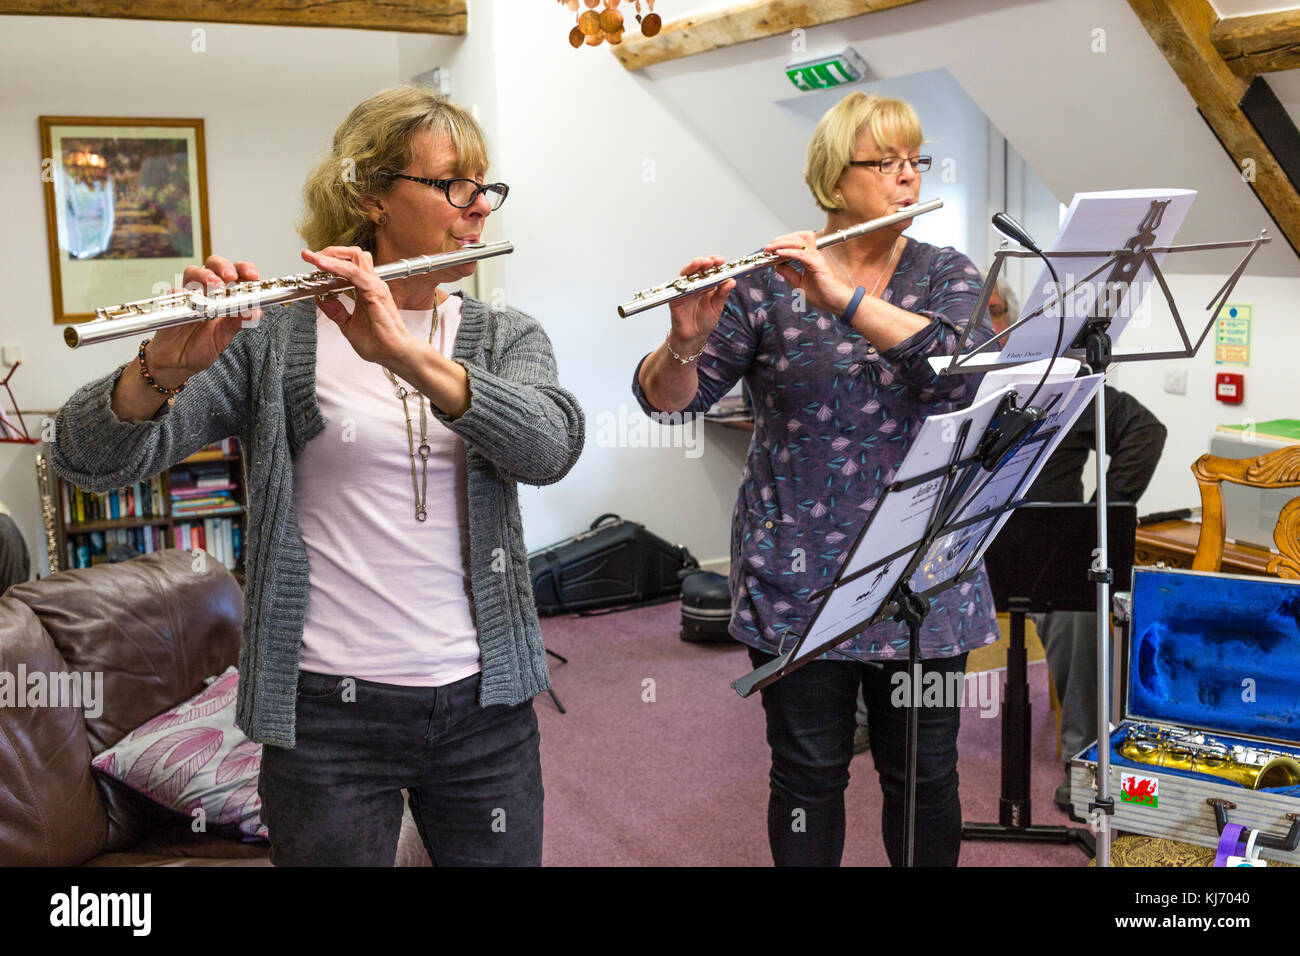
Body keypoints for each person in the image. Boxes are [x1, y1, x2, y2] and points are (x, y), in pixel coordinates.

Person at [53, 86, 584, 866]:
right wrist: (157, 366)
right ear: (372, 196)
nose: (478, 208)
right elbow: (86, 460)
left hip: (485, 706)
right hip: (327, 714)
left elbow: (550, 448)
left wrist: (404, 352)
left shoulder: (505, 334)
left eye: (484, 186)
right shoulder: (274, 338)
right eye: (452, 185)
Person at [633, 92, 999, 866]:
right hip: (797, 575)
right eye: (887, 162)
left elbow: (957, 373)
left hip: (925, 575)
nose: (908, 177)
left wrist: (841, 296)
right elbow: (671, 405)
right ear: (836, 180)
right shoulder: (765, 286)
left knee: (925, 774)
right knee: (806, 776)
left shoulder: (946, 273)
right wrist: (684, 342)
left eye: (915, 161)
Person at [987, 277, 1166, 815]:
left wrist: (1096, 519)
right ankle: (867, 719)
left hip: (1047, 547)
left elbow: (1145, 431)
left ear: (1016, 326)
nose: (988, 326)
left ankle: (1085, 762)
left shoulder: (1061, 386)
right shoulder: (945, 385)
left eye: (997, 313)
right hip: (964, 545)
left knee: (1083, 611)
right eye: (980, 315)